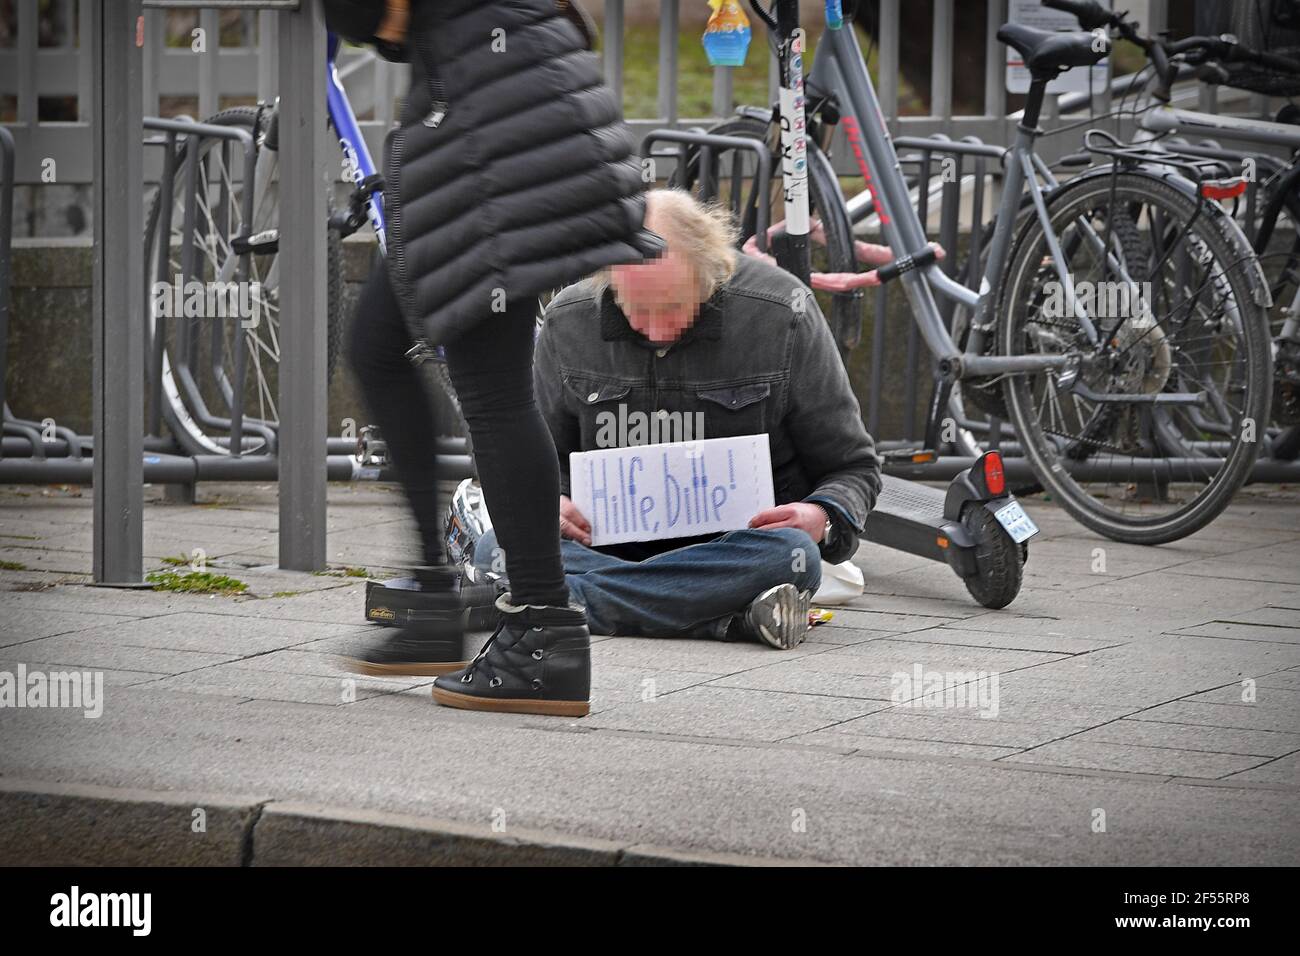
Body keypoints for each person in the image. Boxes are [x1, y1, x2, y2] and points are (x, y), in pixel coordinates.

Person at [326, 0, 663, 719]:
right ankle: (435, 600)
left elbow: (373, 13)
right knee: (380, 346)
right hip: (519, 113)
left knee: (494, 389)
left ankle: (545, 633)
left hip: (492, 139)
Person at [471, 189, 881, 649]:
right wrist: (551, 502)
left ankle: (557, 603)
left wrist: (821, 515)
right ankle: (720, 619)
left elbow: (854, 466)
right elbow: (534, 458)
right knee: (500, 546)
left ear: (711, 275)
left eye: (672, 307)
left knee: (795, 557)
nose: (656, 329)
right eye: (636, 311)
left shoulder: (781, 314)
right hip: (606, 545)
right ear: (610, 283)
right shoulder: (569, 322)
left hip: (729, 551)